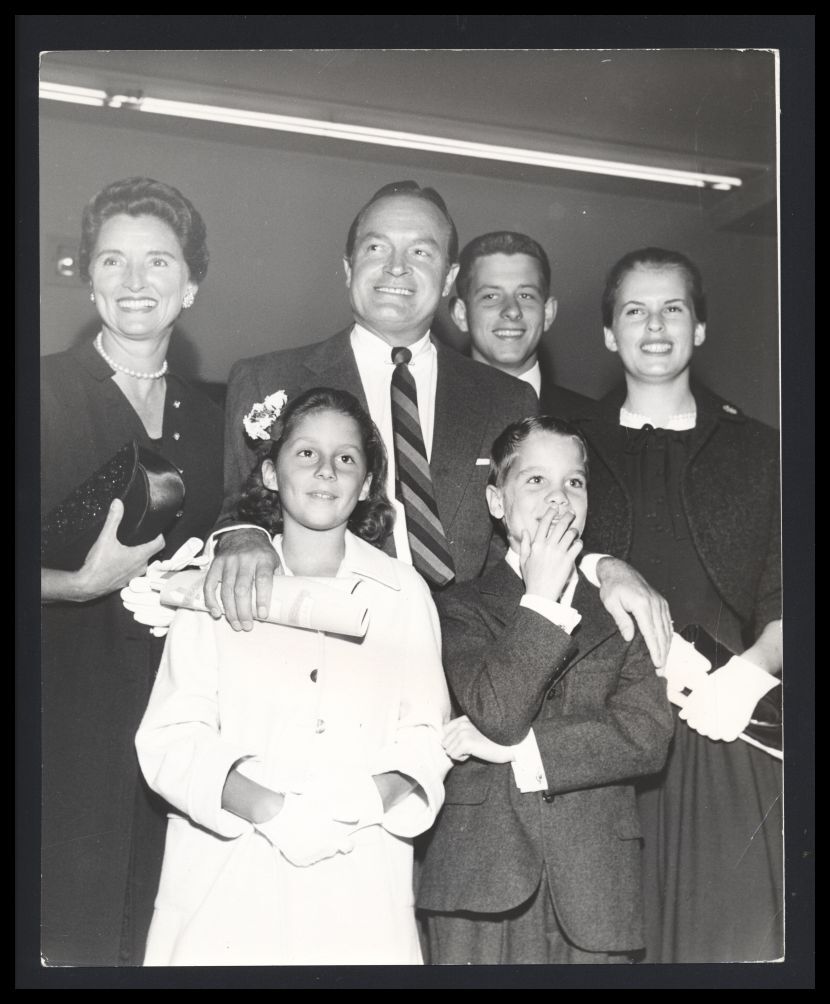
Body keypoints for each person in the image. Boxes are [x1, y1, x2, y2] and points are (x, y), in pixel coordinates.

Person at [205, 182, 671, 669]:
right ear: (347, 268)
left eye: (420, 251)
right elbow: (236, 506)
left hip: (465, 666)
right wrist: (243, 536)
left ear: (449, 279)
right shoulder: (267, 379)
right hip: (312, 653)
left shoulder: (505, 398)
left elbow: (535, 517)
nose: (397, 267)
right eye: (376, 247)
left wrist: (602, 564)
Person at [135, 388, 450, 965]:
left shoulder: (403, 593)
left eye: (347, 458)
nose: (327, 471)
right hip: (230, 878)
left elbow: (426, 736)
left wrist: (352, 803)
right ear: (271, 473)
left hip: (356, 871)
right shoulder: (219, 584)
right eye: (306, 453)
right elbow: (172, 740)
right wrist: (274, 811)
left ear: (366, 483)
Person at [575, 247, 783, 962]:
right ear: (608, 334)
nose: (654, 326)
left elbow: (789, 586)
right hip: (607, 740)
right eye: (634, 310)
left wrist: (753, 670)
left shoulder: (764, 451)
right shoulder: (568, 448)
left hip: (728, 735)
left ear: (699, 328)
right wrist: (600, 563)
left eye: (673, 309)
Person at [40, 177, 224, 965]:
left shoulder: (219, 416)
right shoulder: (41, 390)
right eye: (112, 262)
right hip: (63, 709)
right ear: (88, 278)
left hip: (182, 711)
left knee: (166, 932)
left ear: (190, 284)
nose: (135, 283)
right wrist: (74, 584)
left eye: (158, 263)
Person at [417, 416, 674, 963]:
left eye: (574, 482)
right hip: (478, 881)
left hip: (596, 889)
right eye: (535, 481)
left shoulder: (619, 606)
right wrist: (538, 601)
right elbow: (497, 713)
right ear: (495, 500)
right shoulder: (457, 607)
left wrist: (523, 752)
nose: (559, 498)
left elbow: (646, 734)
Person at [450, 230, 591, 416]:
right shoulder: (427, 418)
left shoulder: (594, 423)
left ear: (548, 313)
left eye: (525, 295)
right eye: (491, 296)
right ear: (461, 314)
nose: (512, 310)